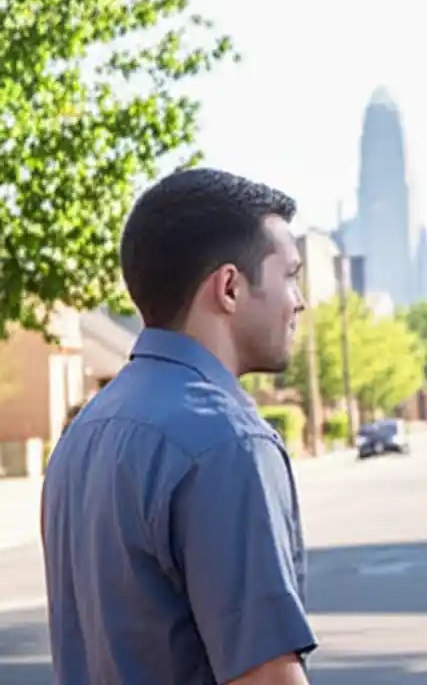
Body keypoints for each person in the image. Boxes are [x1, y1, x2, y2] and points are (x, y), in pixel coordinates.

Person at [41, 168, 315, 685]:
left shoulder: (83, 435)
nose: (298, 300)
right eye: (290, 275)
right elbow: (266, 677)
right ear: (230, 287)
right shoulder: (227, 442)